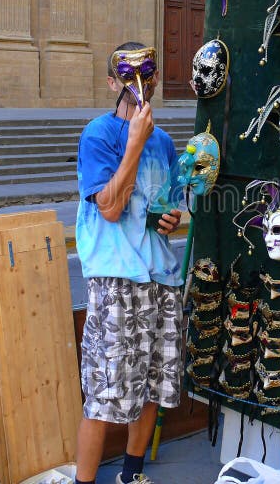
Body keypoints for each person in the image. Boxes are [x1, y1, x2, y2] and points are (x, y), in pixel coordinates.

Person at [74, 42, 183, 484]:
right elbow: (111, 208)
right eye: (127, 77)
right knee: (105, 390)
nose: (140, 84)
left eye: (148, 73)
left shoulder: (166, 142)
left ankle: (131, 473)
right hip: (117, 277)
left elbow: (169, 209)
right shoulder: (97, 135)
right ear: (111, 83)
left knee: (154, 381)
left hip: (160, 275)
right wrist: (134, 142)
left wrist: (173, 218)